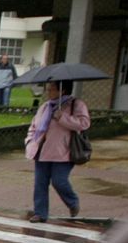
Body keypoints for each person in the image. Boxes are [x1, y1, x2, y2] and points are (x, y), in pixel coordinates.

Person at [25, 80, 90, 223]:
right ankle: (40, 213)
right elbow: (34, 126)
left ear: (62, 90)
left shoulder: (76, 104)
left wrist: (62, 117)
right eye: (48, 89)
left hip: (63, 152)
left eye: (52, 89)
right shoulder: (45, 106)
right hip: (41, 150)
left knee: (59, 181)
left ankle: (72, 202)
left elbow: (84, 124)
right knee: (40, 183)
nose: (48, 92)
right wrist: (29, 141)